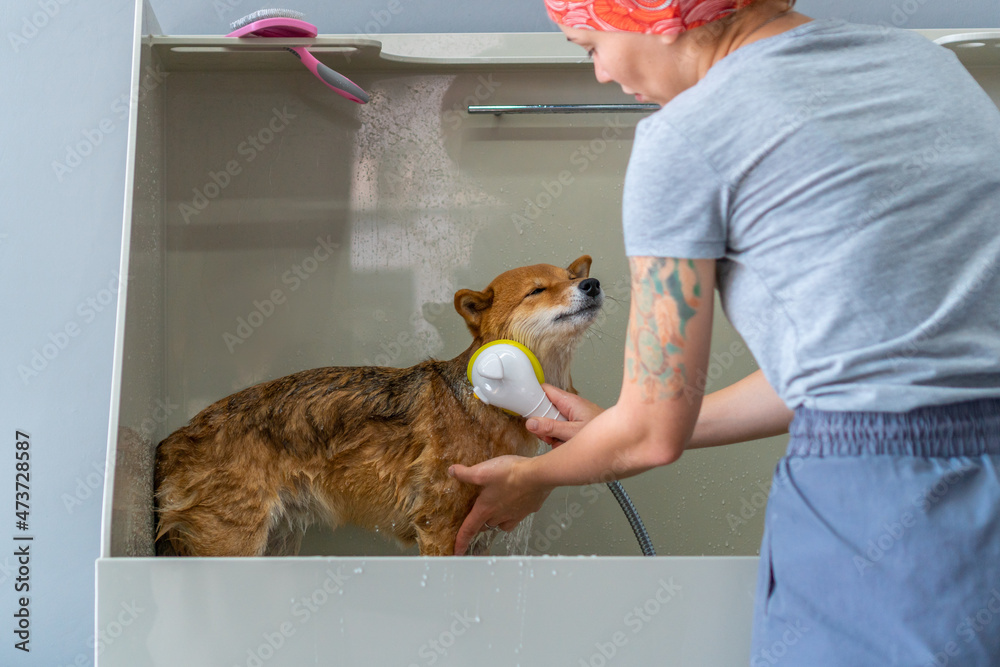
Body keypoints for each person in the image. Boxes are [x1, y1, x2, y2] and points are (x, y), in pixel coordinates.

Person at [448, 0, 1000, 663]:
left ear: (646, 12)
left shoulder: (684, 137)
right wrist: (614, 423)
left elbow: (653, 436)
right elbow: (858, 368)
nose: (598, 74)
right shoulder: (926, 66)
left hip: (879, 507)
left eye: (587, 46)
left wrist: (533, 477)